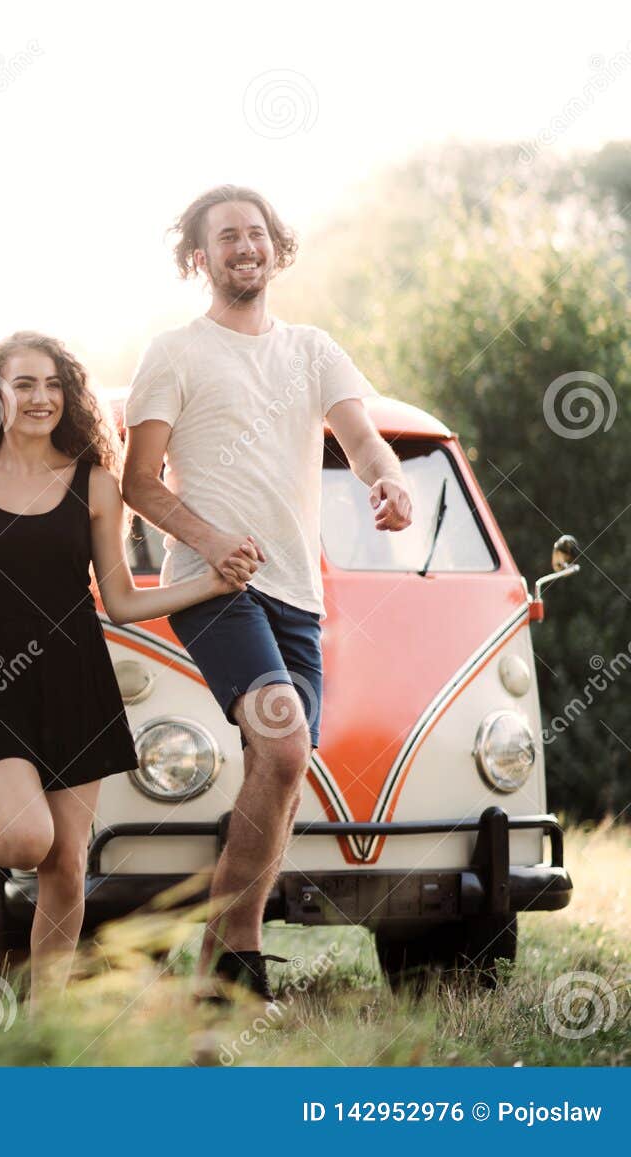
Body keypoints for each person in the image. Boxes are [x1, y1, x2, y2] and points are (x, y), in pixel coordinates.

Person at [121, 185, 412, 1001]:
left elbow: (361, 439)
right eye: (226, 237)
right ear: (199, 258)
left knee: (282, 768)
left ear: (275, 249)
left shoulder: (314, 350)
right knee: (284, 743)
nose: (244, 247)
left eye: (257, 234)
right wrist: (209, 543)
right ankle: (235, 950)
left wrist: (388, 482)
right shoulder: (172, 353)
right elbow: (140, 482)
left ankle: (220, 945)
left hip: (297, 593)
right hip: (208, 583)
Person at [0, 331, 237, 1005]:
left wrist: (211, 584)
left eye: (53, 385)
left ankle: (46, 1019)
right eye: (24, 385)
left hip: (76, 672)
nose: (41, 398)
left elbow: (121, 600)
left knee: (66, 861)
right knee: (24, 835)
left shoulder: (95, 483)